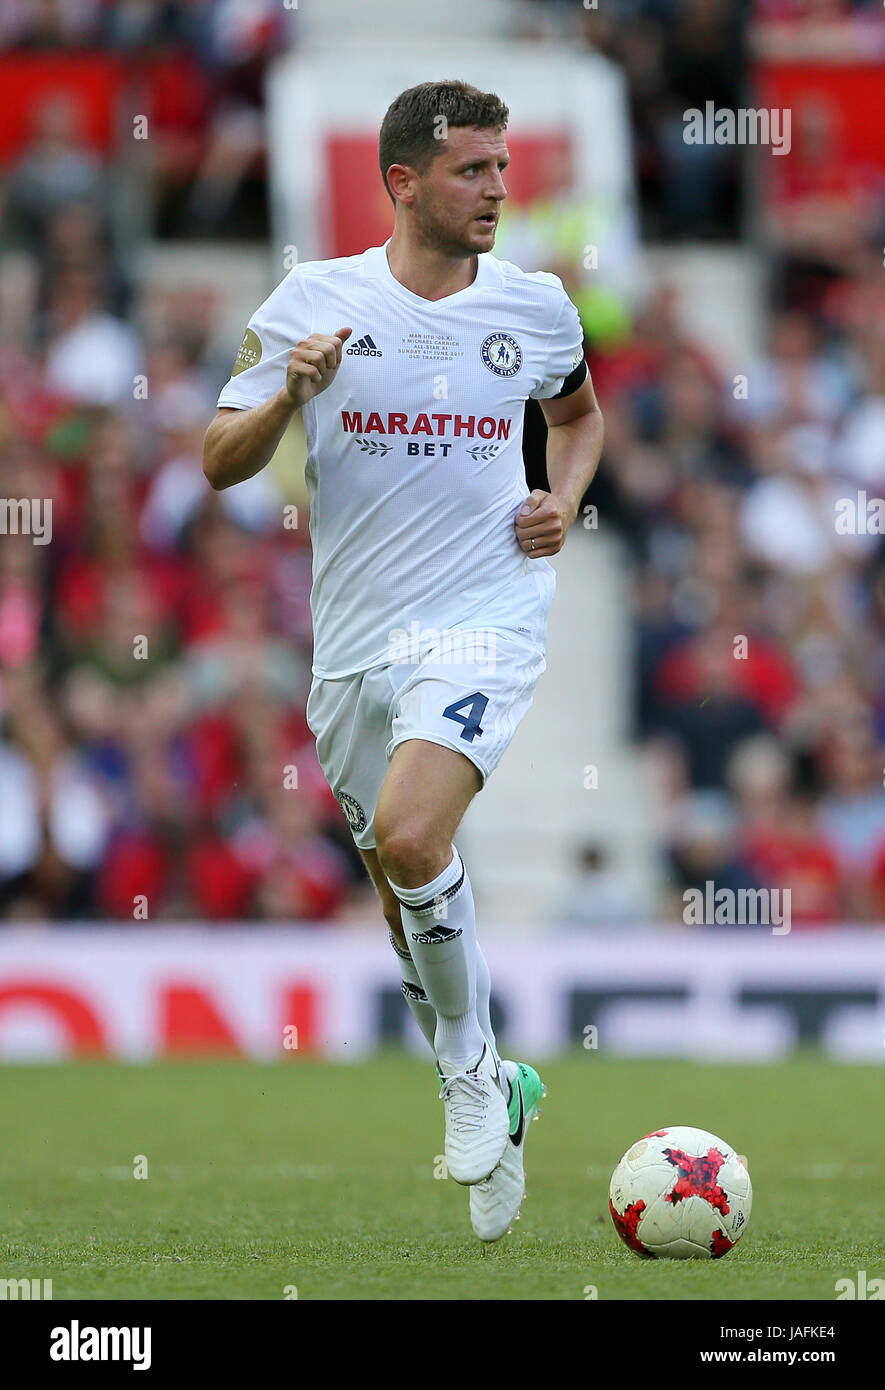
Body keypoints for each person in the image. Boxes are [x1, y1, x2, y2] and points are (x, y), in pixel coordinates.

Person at [203, 80, 604, 1240]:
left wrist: (562, 500)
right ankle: (491, 1075)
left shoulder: (534, 306)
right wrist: (289, 388)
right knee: (398, 886)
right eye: (473, 170)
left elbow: (578, 418)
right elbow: (221, 459)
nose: (497, 188)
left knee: (419, 835)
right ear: (403, 183)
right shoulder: (311, 302)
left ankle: (471, 1074)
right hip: (354, 641)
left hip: (486, 609)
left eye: (501, 167)